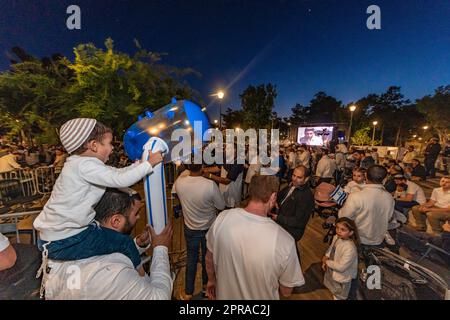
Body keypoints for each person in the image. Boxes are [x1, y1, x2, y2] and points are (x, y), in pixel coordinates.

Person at [33, 118, 164, 290]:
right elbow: (119, 179)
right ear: (94, 145)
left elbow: (115, 174)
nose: (111, 148)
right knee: (123, 243)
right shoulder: (85, 166)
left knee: (113, 240)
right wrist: (150, 163)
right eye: (109, 143)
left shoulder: (79, 164)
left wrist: (136, 166)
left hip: (60, 235)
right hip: (65, 240)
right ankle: (144, 282)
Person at [44, 188, 174, 300]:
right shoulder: (114, 273)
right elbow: (159, 297)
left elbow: (109, 254)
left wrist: (138, 244)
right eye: (136, 213)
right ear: (116, 221)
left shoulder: (71, 246)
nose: (139, 218)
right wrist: (160, 248)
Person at [205, 175, 305, 300]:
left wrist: (211, 280)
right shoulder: (285, 241)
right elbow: (286, 291)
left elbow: (209, 258)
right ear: (273, 197)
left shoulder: (222, 218)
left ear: (250, 192)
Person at [173, 163, 225, 300]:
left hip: (190, 228)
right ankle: (205, 288)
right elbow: (221, 205)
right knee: (208, 259)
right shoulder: (209, 185)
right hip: (209, 228)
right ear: (202, 166)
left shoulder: (179, 183)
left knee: (191, 259)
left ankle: (188, 293)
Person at [339, 165, 394, 247]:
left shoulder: (356, 196)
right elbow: (389, 218)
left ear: (366, 177)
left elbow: (344, 217)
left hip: (360, 238)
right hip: (378, 238)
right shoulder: (389, 197)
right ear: (384, 179)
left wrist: (343, 207)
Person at [270, 165, 314, 261]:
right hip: (283, 223)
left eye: (299, 177)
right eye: (294, 175)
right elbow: (282, 196)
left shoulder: (306, 196)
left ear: (306, 179)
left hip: (291, 230)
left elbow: (298, 221)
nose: (294, 179)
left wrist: (278, 218)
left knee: (290, 254)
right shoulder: (294, 185)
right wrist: (276, 201)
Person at [322, 217, 359, 300]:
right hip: (333, 272)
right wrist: (327, 255)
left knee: (340, 295)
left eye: (343, 229)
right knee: (334, 290)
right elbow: (332, 248)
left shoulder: (350, 248)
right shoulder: (337, 237)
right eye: (337, 228)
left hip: (343, 277)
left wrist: (327, 262)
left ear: (351, 232)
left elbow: (341, 267)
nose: (338, 231)